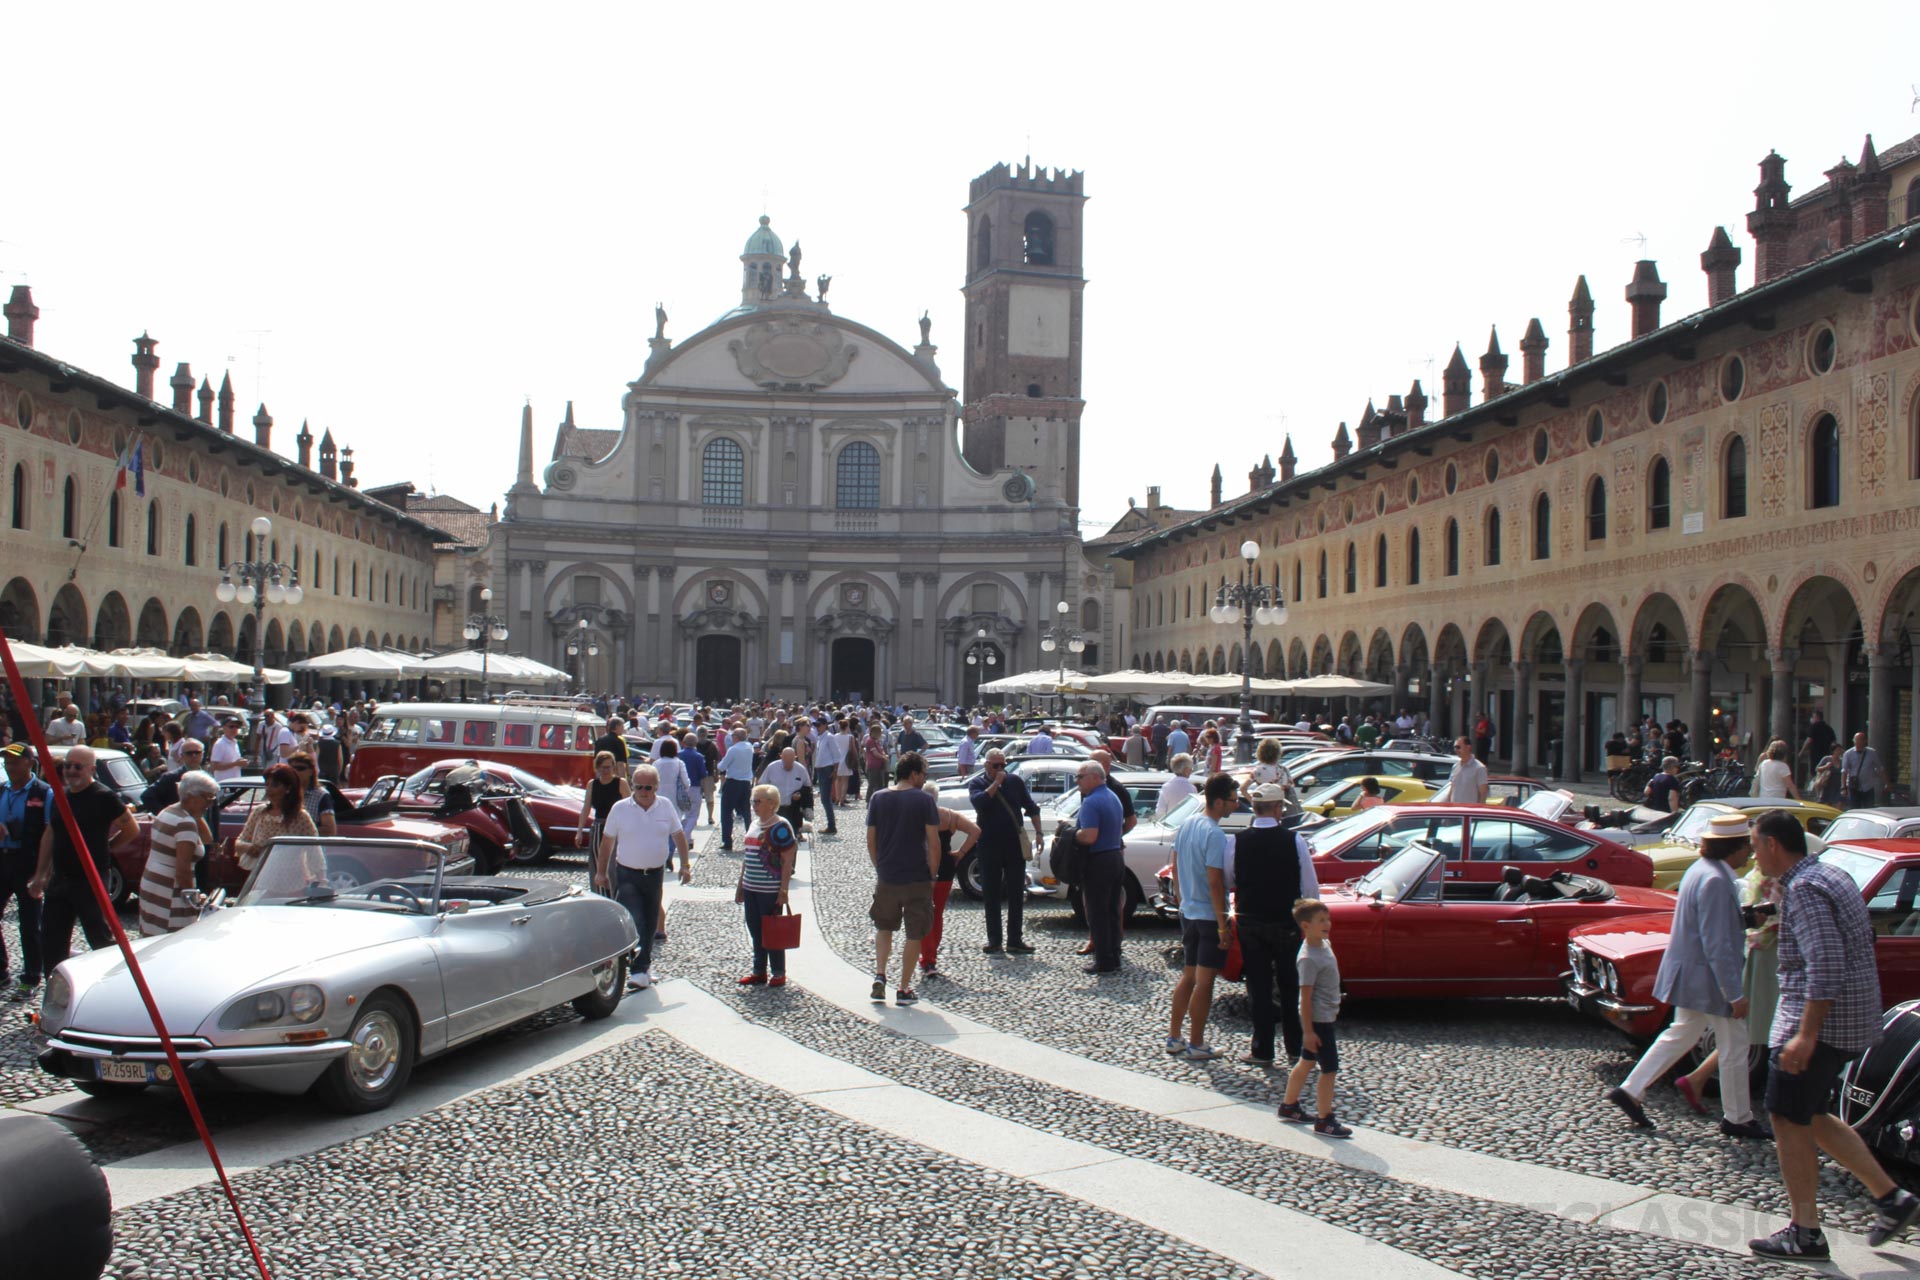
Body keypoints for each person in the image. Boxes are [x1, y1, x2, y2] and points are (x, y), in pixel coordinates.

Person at [1745, 810, 1920, 1260]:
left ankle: (1805, 1233)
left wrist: (1805, 1036)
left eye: (1755, 845)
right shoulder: (1827, 873)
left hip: (1820, 1023)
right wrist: (1772, 907)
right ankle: (1891, 1198)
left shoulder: (1804, 889)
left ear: (1772, 846)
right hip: (1850, 1018)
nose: (1752, 854)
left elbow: (1825, 965)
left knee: (1786, 1116)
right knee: (1812, 1114)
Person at [1604, 814, 1768, 1139]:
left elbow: (1711, 928)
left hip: (1692, 972)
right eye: (1746, 847)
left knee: (1682, 1033)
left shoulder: (1701, 870)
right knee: (1735, 1044)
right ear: (1732, 848)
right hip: (1710, 978)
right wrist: (1734, 994)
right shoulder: (1718, 880)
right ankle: (1738, 1117)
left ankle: (1631, 1089)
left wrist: (1743, 920)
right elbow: (1718, 943)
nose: (1749, 855)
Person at [27, 746, 141, 971]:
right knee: (52, 942)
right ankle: (55, 995)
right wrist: (40, 874)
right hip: (60, 880)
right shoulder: (61, 795)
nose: (71, 771)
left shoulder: (103, 796)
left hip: (90, 880)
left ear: (91, 769)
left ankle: (109, 988)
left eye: (77, 767)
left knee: (100, 938)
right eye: (67, 766)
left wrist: (108, 848)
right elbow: (51, 834)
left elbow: (132, 828)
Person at [1232, 781, 1319, 1068]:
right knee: (1290, 985)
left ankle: (1262, 1048)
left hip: (1251, 920)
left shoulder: (1237, 841)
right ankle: (1294, 1047)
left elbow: (1230, 880)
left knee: (1258, 988)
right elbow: (1310, 887)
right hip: (1286, 922)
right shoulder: (1294, 841)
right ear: (1278, 808)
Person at [595, 763, 691, 992]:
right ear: (632, 786)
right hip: (627, 873)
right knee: (636, 918)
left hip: (655, 874)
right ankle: (637, 969)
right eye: (639, 787)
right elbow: (607, 842)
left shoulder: (666, 806)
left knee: (650, 921)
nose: (644, 792)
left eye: (649, 787)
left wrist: (685, 865)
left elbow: (678, 835)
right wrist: (600, 872)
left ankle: (644, 966)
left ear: (657, 787)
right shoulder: (620, 808)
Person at [1163, 772, 1237, 1057]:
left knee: (1188, 977)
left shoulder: (1188, 823)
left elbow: (1175, 864)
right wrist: (1223, 925)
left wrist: (1181, 898)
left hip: (1189, 912)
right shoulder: (1214, 833)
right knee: (1205, 983)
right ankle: (1197, 1042)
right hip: (1208, 916)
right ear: (1218, 802)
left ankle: (1174, 1036)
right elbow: (1216, 882)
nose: (1235, 805)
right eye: (1232, 800)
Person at [866, 752, 940, 1005]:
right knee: (914, 933)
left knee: (884, 927)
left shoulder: (878, 797)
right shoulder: (924, 800)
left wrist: (880, 866)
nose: (924, 779)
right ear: (915, 774)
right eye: (924, 774)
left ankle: (880, 974)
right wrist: (933, 875)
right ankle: (904, 988)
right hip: (916, 876)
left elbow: (871, 839)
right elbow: (933, 843)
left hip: (887, 876)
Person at [1276, 899, 1352, 1137]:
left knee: (1307, 1061)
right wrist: (1308, 1031)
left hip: (1325, 1017)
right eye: (1321, 921)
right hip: (1319, 1022)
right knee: (1329, 1070)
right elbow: (1305, 998)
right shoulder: (1308, 959)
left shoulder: (1323, 944)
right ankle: (1324, 1119)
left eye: (1327, 919)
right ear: (1305, 926)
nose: (1327, 924)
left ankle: (1289, 1106)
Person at [967, 748, 1042, 955]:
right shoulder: (977, 784)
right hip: (989, 846)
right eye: (996, 765)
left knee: (1016, 893)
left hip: (1013, 846)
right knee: (991, 894)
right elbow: (980, 803)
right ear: (986, 765)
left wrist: (1039, 832)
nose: (1001, 769)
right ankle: (994, 940)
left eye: (1003, 765)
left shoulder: (1015, 782)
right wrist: (997, 782)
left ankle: (1015, 939)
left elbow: (1031, 807)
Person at [0, 744, 54, 997]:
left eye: (14, 761)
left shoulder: (44, 793)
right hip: (3, 858)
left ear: (28, 763)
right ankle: (1, 971)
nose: (9, 766)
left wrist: (42, 872)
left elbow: (50, 834)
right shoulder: (2, 790)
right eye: (6, 762)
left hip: (29, 861)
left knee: (29, 923)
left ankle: (32, 977)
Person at [140, 771, 218, 936]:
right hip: (171, 889)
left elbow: (207, 837)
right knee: (172, 939)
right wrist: (193, 901)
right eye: (208, 798)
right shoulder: (185, 823)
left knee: (152, 935)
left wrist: (196, 812)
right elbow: (182, 870)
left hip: (153, 882)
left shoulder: (168, 811)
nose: (210, 804)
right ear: (192, 796)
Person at [918, 781, 980, 981]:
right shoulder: (949, 816)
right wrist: (961, 853)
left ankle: (928, 959)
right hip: (946, 867)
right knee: (937, 914)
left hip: (923, 869)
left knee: (923, 914)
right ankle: (931, 956)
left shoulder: (917, 818)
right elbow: (975, 831)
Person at [736, 784, 797, 987]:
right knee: (754, 929)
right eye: (753, 801)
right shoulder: (754, 824)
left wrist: (784, 891)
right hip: (751, 886)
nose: (754, 805)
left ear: (772, 804)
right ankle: (759, 970)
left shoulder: (781, 826)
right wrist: (740, 885)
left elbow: (788, 860)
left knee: (772, 931)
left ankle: (778, 971)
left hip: (769, 890)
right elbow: (747, 856)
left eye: (758, 801)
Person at [1075, 761, 1130, 976]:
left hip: (1099, 860)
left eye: (1081, 776)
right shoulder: (1112, 796)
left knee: (1098, 913)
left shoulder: (1091, 802)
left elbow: (1089, 836)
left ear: (1095, 777)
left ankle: (1104, 960)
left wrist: (1071, 833)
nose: (1078, 781)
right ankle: (1113, 956)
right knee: (1112, 911)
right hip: (1115, 856)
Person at [232, 763, 319, 872]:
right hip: (260, 877)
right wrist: (250, 848)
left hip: (292, 880)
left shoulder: (301, 817)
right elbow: (239, 842)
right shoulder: (259, 812)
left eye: (275, 785)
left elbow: (315, 851)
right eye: (267, 784)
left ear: (288, 788)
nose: (269, 789)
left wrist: (320, 880)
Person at [578, 751, 631, 859]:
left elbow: (630, 808)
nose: (605, 770)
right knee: (597, 860)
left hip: (617, 827)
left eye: (608, 767)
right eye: (602, 767)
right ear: (597, 767)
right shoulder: (592, 784)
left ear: (613, 767)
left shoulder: (621, 783)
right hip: (599, 826)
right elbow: (586, 808)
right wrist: (579, 831)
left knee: (615, 862)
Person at [717, 728, 757, 852]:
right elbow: (736, 735)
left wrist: (718, 764)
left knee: (727, 813)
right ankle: (751, 838)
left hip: (733, 783)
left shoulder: (733, 750)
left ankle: (727, 841)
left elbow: (722, 766)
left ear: (736, 737)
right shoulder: (749, 747)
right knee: (746, 813)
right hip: (745, 783)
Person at [760, 745, 811, 833]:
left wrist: (800, 794)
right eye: (785, 761)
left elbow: (807, 787)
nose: (788, 764)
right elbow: (761, 785)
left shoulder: (801, 769)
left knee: (792, 835)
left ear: (795, 757)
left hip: (793, 808)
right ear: (781, 757)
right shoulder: (772, 767)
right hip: (775, 808)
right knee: (774, 834)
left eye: (791, 761)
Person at [287, 752, 338, 836]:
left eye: (300, 768)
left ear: (311, 772)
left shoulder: (321, 795)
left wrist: (299, 831)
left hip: (310, 846)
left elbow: (330, 830)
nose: (295, 772)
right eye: (291, 769)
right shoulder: (283, 792)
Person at [810, 716, 843, 836]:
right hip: (821, 769)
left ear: (824, 725)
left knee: (825, 798)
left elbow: (837, 755)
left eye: (819, 725)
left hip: (826, 769)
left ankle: (831, 825)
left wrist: (835, 770)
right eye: (816, 726)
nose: (817, 728)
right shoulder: (821, 737)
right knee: (824, 798)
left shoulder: (829, 737)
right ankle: (831, 824)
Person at [1841, 731, 1888, 810]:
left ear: (1864, 741)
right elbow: (1844, 771)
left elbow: (1880, 768)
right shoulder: (1848, 754)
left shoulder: (1872, 753)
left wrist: (1887, 783)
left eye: (1859, 740)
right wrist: (1843, 788)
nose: (1857, 743)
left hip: (1868, 786)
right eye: (1855, 740)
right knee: (1855, 810)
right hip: (1854, 787)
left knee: (1869, 809)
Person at [1447, 737, 1489, 805]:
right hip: (1455, 812)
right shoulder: (1455, 767)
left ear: (1468, 747)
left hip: (1470, 813)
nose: (1456, 750)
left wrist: (1479, 812)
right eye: (1455, 747)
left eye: (1458, 747)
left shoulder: (1479, 768)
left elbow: (1483, 794)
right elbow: (1452, 789)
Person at [1156, 754, 1198, 819]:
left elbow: (1160, 812)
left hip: (1169, 825)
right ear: (1186, 770)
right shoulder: (1192, 788)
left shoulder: (1166, 787)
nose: (1192, 770)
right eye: (1191, 768)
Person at [208, 717, 246, 781]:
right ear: (224, 728)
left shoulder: (235, 743)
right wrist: (235, 763)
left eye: (237, 727)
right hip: (224, 783)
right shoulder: (220, 744)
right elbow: (214, 766)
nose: (234, 729)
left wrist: (241, 763)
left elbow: (234, 761)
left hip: (235, 781)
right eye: (231, 726)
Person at [862, 724, 891, 799]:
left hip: (879, 765)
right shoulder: (870, 741)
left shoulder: (876, 741)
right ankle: (869, 799)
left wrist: (885, 755)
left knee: (880, 784)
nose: (881, 734)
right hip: (873, 765)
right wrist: (884, 757)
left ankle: (879, 798)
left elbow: (881, 750)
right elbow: (875, 753)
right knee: (872, 784)